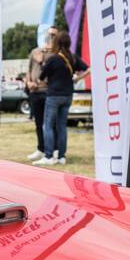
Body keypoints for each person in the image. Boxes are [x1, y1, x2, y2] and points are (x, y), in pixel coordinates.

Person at [34, 32, 87, 164]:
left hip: (54, 95)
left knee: (48, 125)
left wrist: (41, 62)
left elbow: (41, 77)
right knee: (62, 126)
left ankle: (48, 156)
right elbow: (88, 69)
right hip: (68, 95)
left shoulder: (53, 59)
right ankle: (61, 157)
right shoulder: (73, 58)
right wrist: (76, 78)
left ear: (57, 43)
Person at [25, 27, 56, 160]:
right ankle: (40, 148)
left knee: (50, 123)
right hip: (34, 92)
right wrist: (28, 82)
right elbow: (28, 70)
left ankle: (54, 149)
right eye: (49, 34)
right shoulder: (34, 51)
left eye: (53, 35)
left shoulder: (53, 54)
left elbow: (51, 75)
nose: (51, 37)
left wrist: (42, 61)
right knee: (38, 122)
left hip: (47, 92)